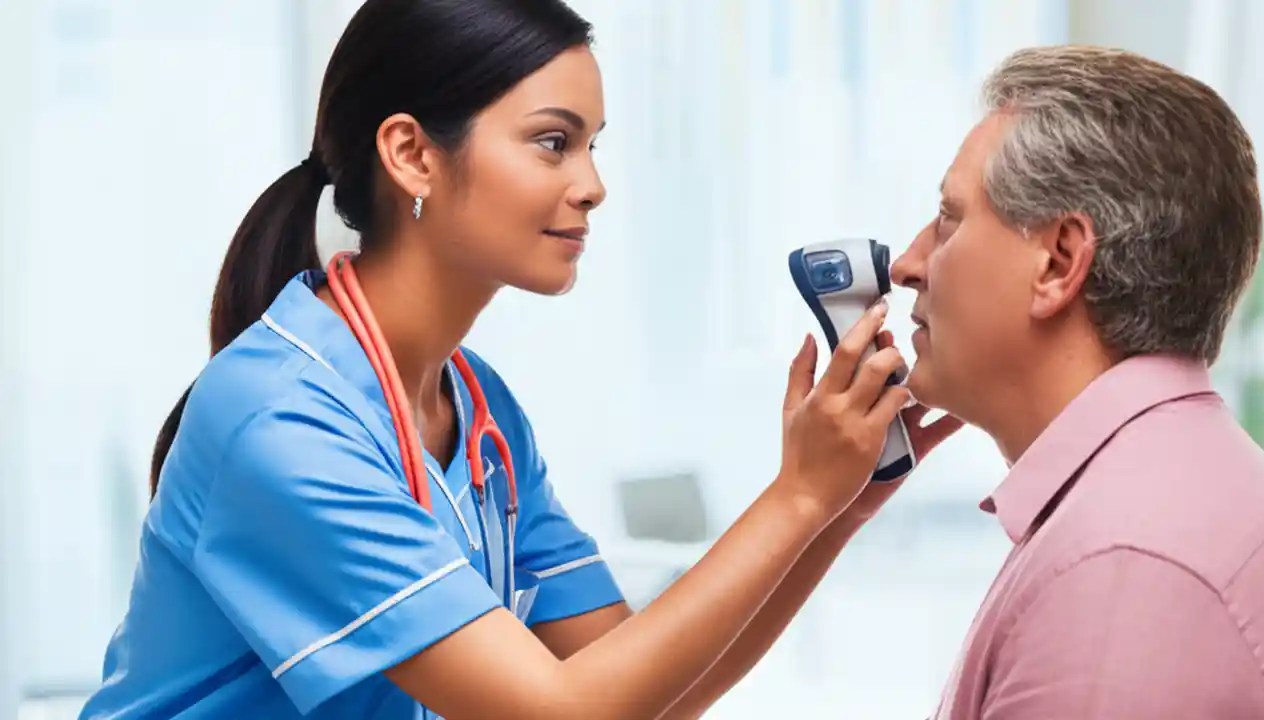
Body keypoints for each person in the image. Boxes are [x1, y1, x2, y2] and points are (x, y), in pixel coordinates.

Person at [80, 1, 962, 718]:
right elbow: (559, 713)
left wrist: (836, 510)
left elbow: (646, 689)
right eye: (553, 141)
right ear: (413, 155)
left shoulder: (478, 409)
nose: (592, 183)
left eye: (593, 143)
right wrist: (799, 493)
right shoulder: (278, 416)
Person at [888, 45, 1264, 718]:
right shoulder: (1168, 494)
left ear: (1060, 262)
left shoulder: (1124, 574)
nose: (907, 264)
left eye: (949, 217)